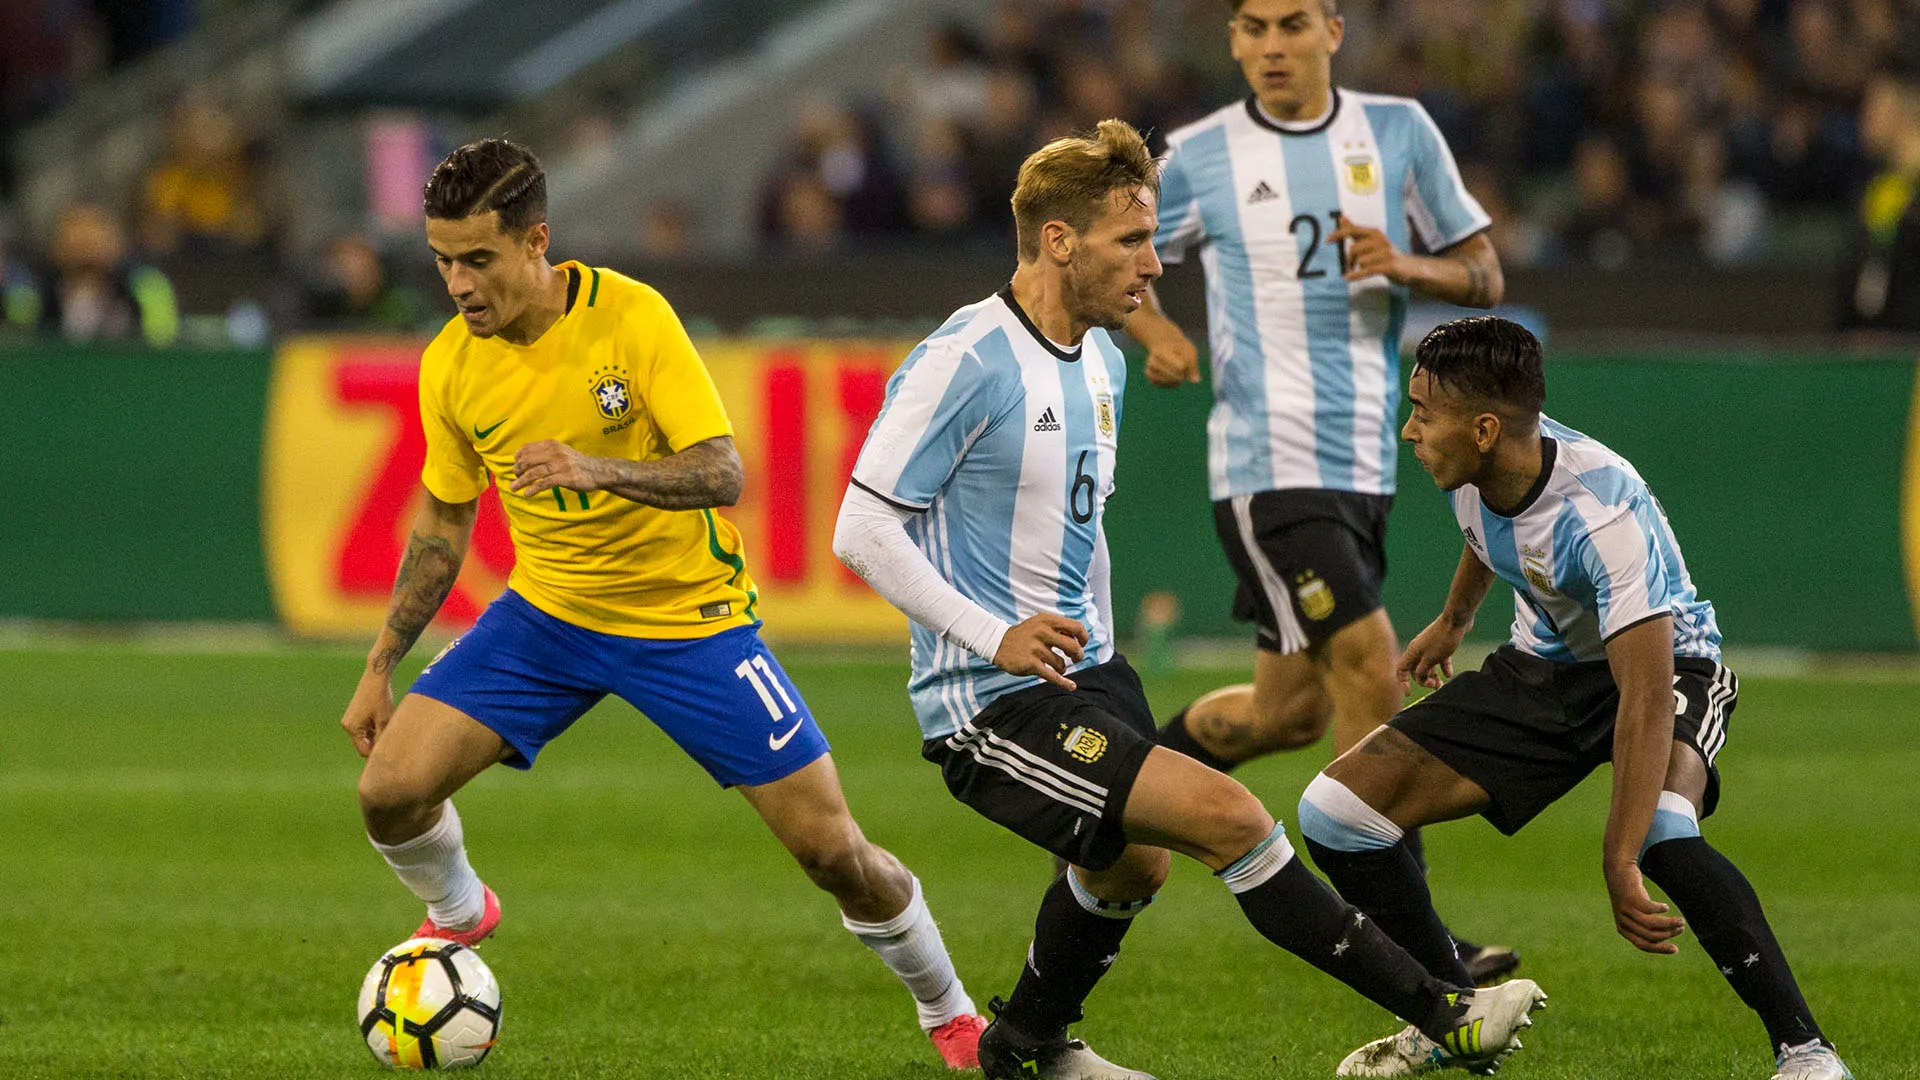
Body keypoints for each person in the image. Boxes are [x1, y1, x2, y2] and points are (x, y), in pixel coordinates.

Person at [833, 119, 1544, 1080]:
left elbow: (1080, 538)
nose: (1156, 263)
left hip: (1085, 675)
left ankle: (1026, 1046)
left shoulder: (1102, 361)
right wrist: (991, 634)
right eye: (1131, 240)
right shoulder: (966, 358)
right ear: (1058, 240)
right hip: (988, 703)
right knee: (1234, 818)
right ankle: (1445, 1011)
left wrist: (1104, 662)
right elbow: (863, 528)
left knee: (1135, 864)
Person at [339, 139, 987, 1070]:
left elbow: (723, 472)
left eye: (477, 259)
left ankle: (950, 1010)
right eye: (442, 261)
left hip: (689, 625)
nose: (458, 284)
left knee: (832, 852)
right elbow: (443, 520)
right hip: (547, 620)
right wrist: (378, 665)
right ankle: (458, 913)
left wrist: (595, 467)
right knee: (388, 793)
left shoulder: (631, 318)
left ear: (536, 243)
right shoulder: (452, 363)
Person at [1298, 316, 1852, 1080]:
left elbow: (1648, 699)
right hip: (1544, 672)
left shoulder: (1602, 514)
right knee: (1335, 815)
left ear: (1485, 428)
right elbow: (1492, 533)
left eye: (1423, 413)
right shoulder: (1478, 463)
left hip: (1671, 665)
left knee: (1662, 833)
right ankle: (1452, 1014)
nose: (1408, 430)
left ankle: (1808, 1053)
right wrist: (1455, 620)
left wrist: (1620, 858)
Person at [1120, 0, 1515, 984]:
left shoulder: (1397, 133)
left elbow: (1485, 271)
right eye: (1251, 28)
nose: (1270, 46)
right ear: (1233, 41)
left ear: (1333, 31)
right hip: (1264, 465)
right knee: (1371, 663)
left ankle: (1122, 789)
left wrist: (1408, 264)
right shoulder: (1204, 153)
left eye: (1291, 24)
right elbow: (1111, 255)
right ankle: (1415, 944)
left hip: (1364, 468)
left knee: (1285, 715)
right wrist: (1155, 330)